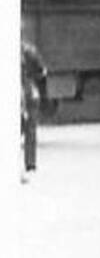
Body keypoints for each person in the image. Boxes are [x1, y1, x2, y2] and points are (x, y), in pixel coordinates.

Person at [20, 39, 47, 173]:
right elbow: (42, 72)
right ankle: (30, 163)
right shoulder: (29, 50)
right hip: (29, 91)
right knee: (30, 129)